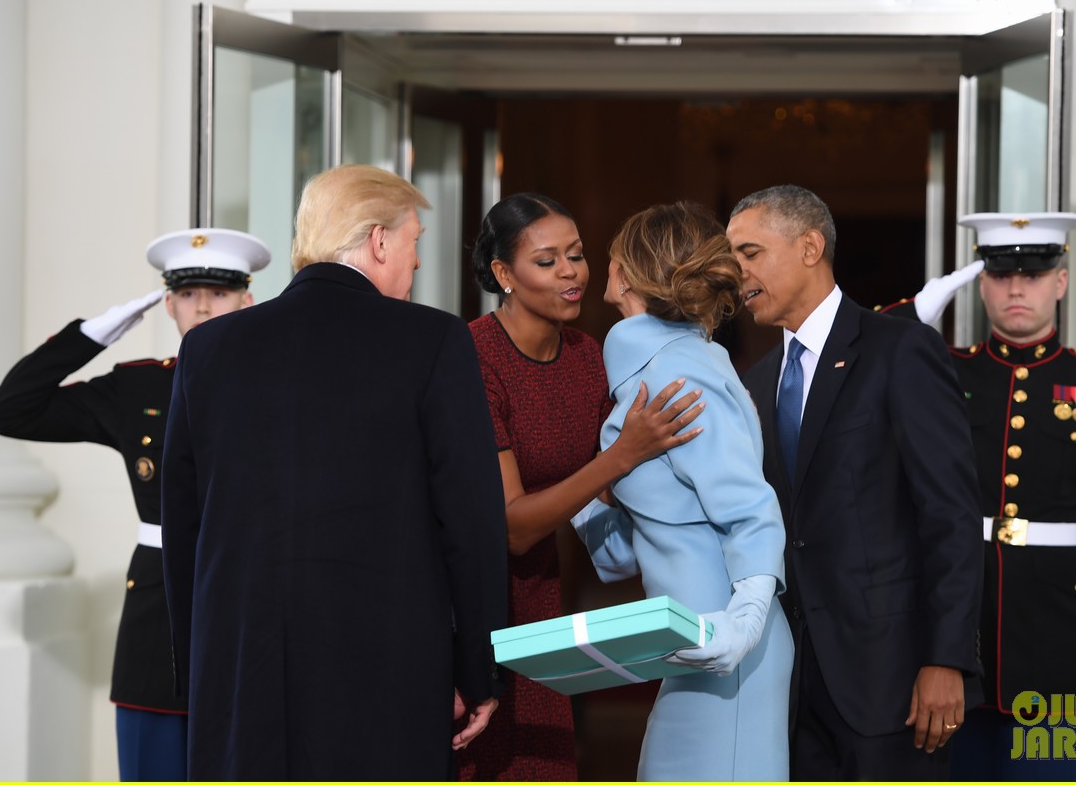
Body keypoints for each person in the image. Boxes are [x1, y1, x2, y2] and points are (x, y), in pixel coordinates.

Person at [161, 164, 509, 781]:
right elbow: (471, 520)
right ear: (379, 240)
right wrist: (478, 670)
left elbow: (184, 528)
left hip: (243, 674)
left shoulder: (207, 348)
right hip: (387, 672)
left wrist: (202, 677)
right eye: (414, 241)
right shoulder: (434, 340)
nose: (416, 261)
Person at [0, 227, 270, 781]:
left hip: (248, 599)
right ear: (168, 304)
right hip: (157, 611)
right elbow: (9, 411)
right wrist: (94, 334)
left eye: (220, 292)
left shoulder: (278, 384)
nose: (203, 306)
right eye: (187, 293)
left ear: (247, 300)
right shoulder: (136, 389)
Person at [879, 212, 1076, 780]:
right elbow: (857, 357)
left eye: (1034, 274)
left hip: (1055, 655)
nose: (1017, 288)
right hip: (952, 649)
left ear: (1061, 281)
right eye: (1001, 275)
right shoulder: (941, 370)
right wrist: (918, 311)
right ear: (981, 285)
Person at [726, 184, 984, 780]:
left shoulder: (900, 349)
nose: (737, 273)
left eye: (750, 253)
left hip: (894, 682)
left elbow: (949, 515)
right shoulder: (754, 382)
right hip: (789, 688)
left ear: (810, 247)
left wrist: (946, 659)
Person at [459, 193, 706, 781]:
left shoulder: (588, 354)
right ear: (503, 274)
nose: (571, 272)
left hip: (544, 597)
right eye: (547, 261)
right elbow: (513, 527)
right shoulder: (472, 356)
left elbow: (610, 488)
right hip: (472, 602)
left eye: (576, 255)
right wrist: (622, 456)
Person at [572, 201, 794, 781]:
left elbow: (750, 508)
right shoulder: (654, 367)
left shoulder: (680, 371)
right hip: (690, 646)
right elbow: (623, 555)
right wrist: (587, 481)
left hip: (729, 648)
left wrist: (744, 625)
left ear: (627, 273)